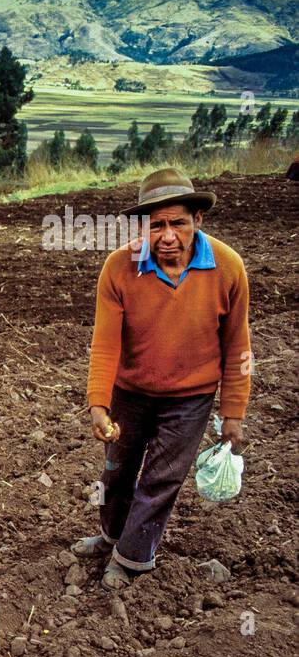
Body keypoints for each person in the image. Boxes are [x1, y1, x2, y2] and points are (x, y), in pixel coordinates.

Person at [73, 168, 251, 590]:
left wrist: (233, 413)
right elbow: (105, 345)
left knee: (160, 481)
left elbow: (238, 346)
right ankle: (112, 536)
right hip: (130, 394)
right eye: (157, 225)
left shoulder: (228, 268)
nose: (168, 235)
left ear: (198, 222)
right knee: (116, 472)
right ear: (143, 228)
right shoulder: (119, 269)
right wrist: (99, 404)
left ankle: (132, 559)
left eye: (178, 223)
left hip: (191, 399)